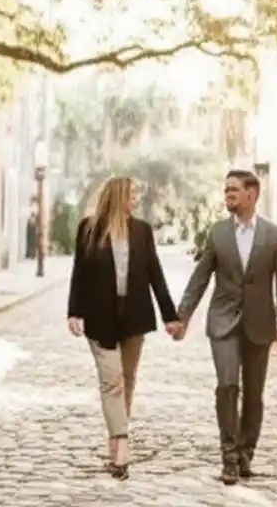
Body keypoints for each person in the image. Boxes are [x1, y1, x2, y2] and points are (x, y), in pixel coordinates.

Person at [172, 169, 277, 485]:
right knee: (228, 386)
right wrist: (182, 316)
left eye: (234, 190)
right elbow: (200, 277)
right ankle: (228, 456)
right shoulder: (217, 234)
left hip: (260, 324)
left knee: (254, 395)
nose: (228, 195)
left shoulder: (275, 235)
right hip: (223, 322)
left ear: (252, 194)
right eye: (225, 190)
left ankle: (245, 454)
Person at [66, 176, 181, 480]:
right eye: (131, 195)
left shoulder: (141, 230)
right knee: (111, 381)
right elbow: (80, 272)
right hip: (100, 316)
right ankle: (122, 444)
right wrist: (74, 311)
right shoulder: (90, 228)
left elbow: (155, 273)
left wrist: (170, 316)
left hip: (134, 316)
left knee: (127, 379)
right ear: (117, 197)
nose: (135, 201)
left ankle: (115, 443)